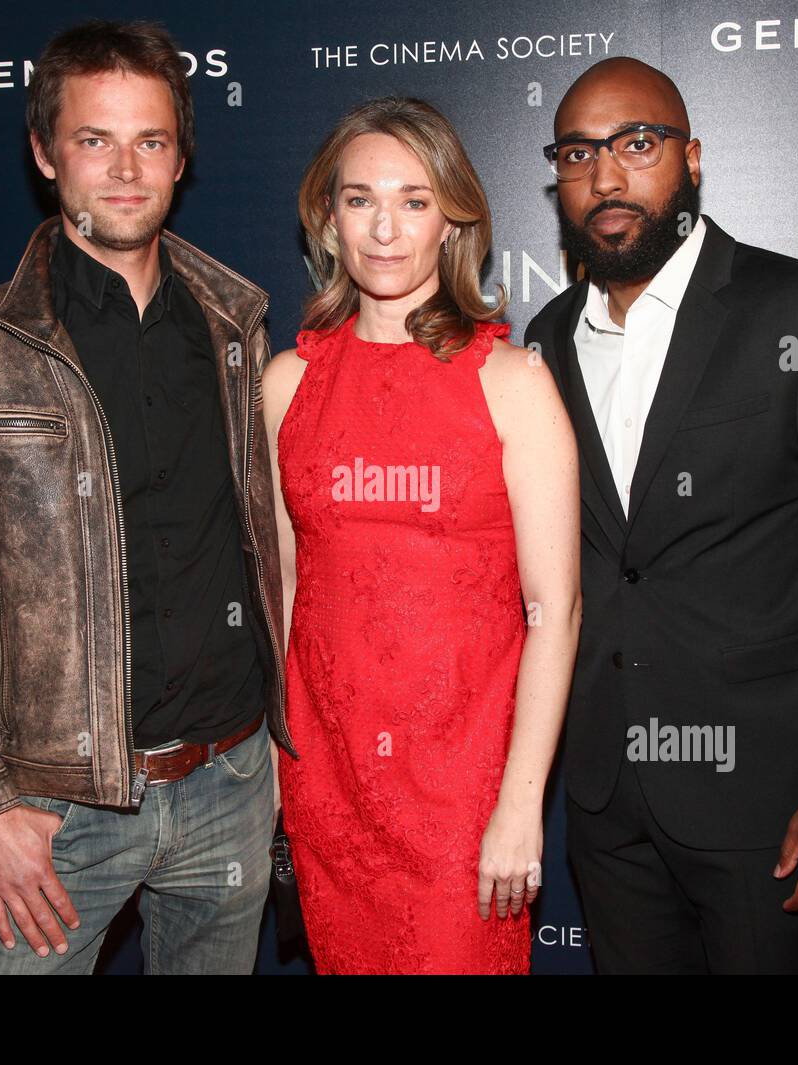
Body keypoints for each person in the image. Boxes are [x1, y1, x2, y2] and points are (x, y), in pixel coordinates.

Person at [0, 19, 288, 974]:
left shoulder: (239, 326)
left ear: (181, 157)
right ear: (42, 152)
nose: (123, 169)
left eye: (149, 140)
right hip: (54, 812)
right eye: (92, 139)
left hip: (231, 782)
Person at [526, 57, 798, 974]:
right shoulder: (546, 340)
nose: (607, 175)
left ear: (693, 158)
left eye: (638, 143)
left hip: (771, 805)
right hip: (605, 805)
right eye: (579, 152)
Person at [262, 96, 582, 975]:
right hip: (326, 783)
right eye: (360, 199)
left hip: (460, 792)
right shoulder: (288, 383)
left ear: (453, 217)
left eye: (413, 199)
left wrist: (520, 804)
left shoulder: (512, 382)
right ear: (329, 217)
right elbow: (283, 592)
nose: (386, 228)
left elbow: (555, 610)